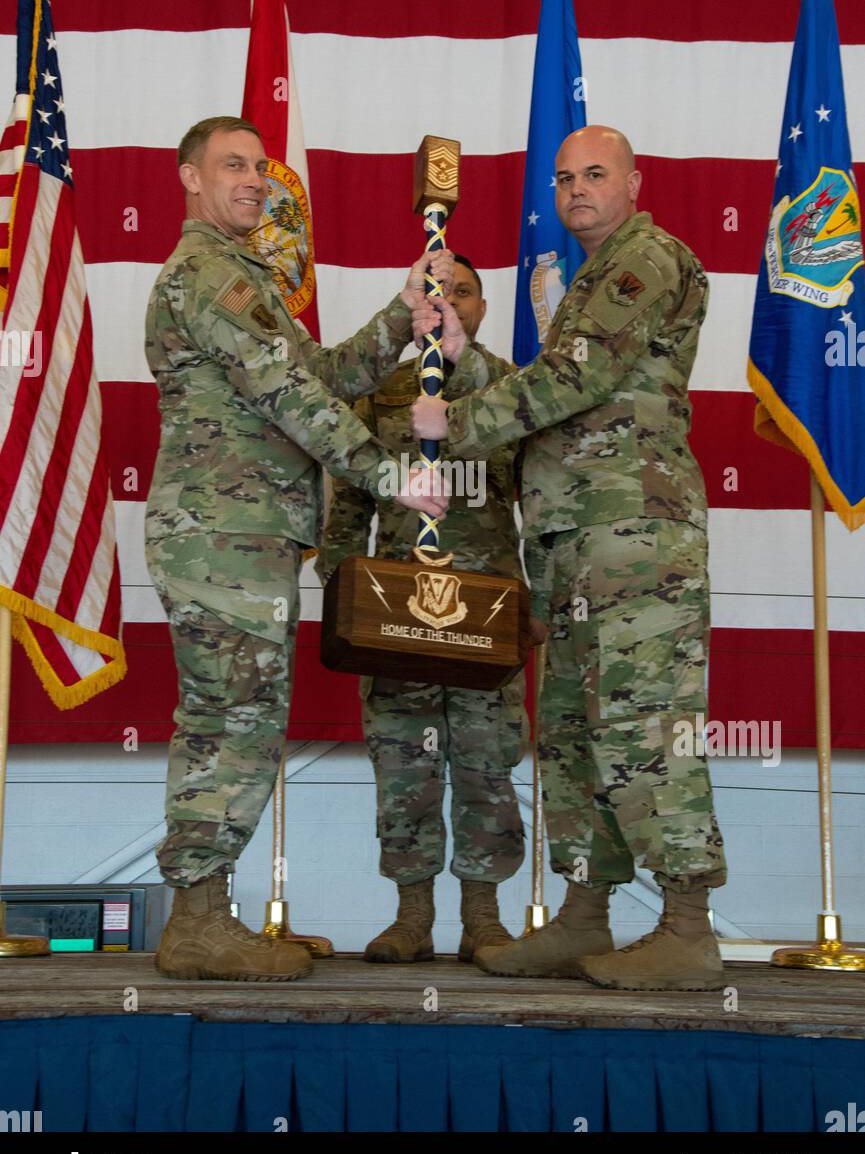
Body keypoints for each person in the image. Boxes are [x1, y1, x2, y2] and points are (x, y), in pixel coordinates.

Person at [145, 115, 478, 983]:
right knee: (232, 724)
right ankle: (198, 918)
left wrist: (402, 318)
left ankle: (204, 910)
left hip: (243, 536)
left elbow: (318, 379)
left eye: (260, 167)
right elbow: (291, 399)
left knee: (239, 719)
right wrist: (385, 474)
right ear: (188, 178)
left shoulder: (247, 279)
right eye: (231, 166)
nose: (254, 180)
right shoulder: (210, 272)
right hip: (222, 535)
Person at [411, 125, 727, 991]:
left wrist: (454, 421)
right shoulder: (587, 277)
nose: (576, 188)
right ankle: (585, 915)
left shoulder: (647, 260)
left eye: (594, 174)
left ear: (632, 180)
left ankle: (689, 928)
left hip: (635, 538)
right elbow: (557, 397)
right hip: (572, 542)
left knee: (645, 728)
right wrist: (456, 363)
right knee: (574, 736)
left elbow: (574, 380)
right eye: (562, 178)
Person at [318, 257, 528, 965]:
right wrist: (339, 587)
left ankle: (483, 918)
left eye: (462, 293)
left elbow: (543, 491)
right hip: (396, 610)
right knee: (404, 762)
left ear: (484, 307)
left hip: (487, 612)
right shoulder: (378, 394)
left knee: (485, 765)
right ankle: (410, 916)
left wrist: (542, 602)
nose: (449, 306)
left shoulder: (508, 390)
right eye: (436, 295)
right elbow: (348, 499)